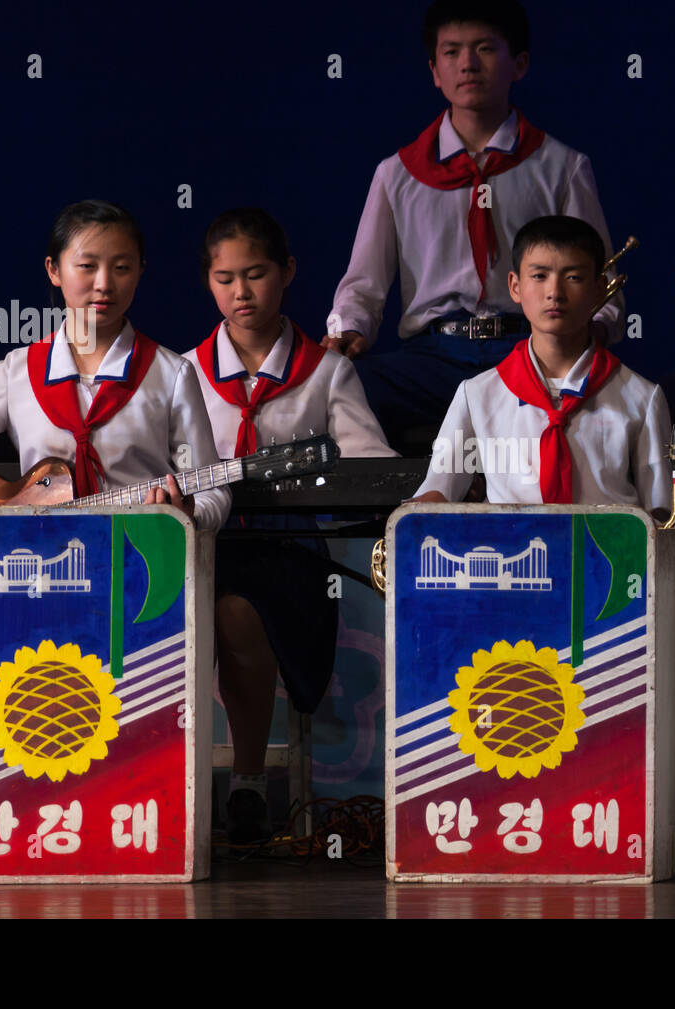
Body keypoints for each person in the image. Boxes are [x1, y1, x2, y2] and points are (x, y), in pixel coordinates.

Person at [183, 209, 396, 842]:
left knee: (235, 611)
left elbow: (372, 467)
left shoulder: (326, 371)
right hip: (202, 543)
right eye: (225, 279)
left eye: (256, 274)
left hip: (287, 557)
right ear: (208, 283)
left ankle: (247, 786)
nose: (241, 293)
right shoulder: (182, 372)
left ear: (288, 273)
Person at [327, 0, 620, 455]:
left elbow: (601, 282)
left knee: (604, 390)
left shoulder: (561, 167)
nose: (467, 64)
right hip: (432, 359)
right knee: (344, 385)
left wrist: (590, 330)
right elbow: (363, 285)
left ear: (519, 64)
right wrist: (348, 327)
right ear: (434, 71)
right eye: (451, 52)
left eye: (485, 48)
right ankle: (395, 516)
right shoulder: (397, 174)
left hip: (529, 349)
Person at [0, 199, 229, 531]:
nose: (104, 284)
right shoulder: (19, 372)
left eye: (122, 267)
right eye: (87, 266)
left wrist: (187, 516)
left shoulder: (171, 374)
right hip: (39, 568)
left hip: (140, 565)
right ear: (54, 270)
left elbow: (212, 488)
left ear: (140, 271)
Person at [414, 216, 670, 514]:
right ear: (514, 286)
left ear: (600, 289)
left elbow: (661, 517)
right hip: (510, 556)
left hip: (610, 558)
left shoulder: (642, 399)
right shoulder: (476, 395)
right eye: (539, 276)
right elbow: (437, 490)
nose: (555, 293)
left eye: (573, 277)